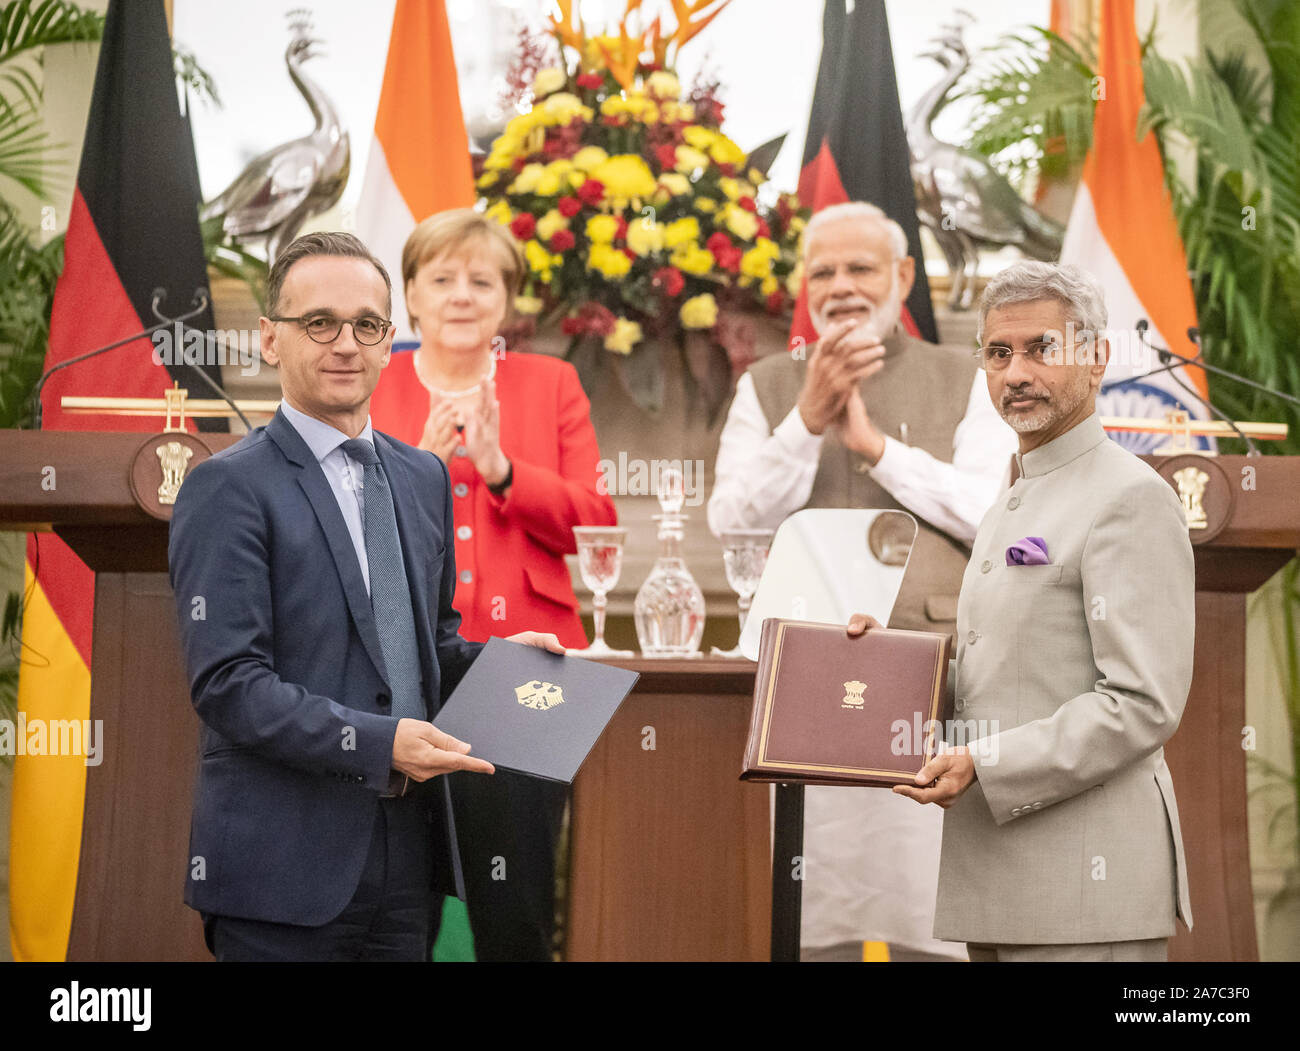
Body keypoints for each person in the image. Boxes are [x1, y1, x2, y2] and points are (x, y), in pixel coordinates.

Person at [168, 231, 564, 962]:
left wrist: (501, 664)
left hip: (406, 862)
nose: (345, 343)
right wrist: (383, 745)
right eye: (319, 322)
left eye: (367, 325)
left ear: (390, 344)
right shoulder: (227, 488)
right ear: (269, 339)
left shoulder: (422, 479)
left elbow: (428, 648)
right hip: (282, 874)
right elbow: (228, 683)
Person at [849, 260, 1195, 962]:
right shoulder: (1013, 495)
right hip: (999, 886)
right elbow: (999, 671)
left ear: (1096, 357)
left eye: (1042, 349)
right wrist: (885, 669)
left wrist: (983, 758)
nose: (1015, 373)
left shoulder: (1129, 496)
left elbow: (1141, 702)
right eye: (999, 353)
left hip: (1086, 896)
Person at [709, 200, 1016, 962]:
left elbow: (994, 514)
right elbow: (732, 521)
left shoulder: (966, 377)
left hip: (935, 685)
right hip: (801, 693)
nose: (841, 285)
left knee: (931, 925)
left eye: (861, 268)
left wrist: (880, 452)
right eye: (824, 271)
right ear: (803, 284)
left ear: (904, 276)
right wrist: (805, 420)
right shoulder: (768, 385)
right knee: (801, 921)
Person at [368, 209, 617, 961]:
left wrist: (503, 467)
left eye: (482, 280)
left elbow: (595, 528)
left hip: (530, 671)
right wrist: (415, 464)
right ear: (409, 295)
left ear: (506, 300)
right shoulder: (374, 386)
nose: (462, 295)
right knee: (395, 889)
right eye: (441, 278)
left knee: (518, 905)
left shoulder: (551, 384)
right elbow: (346, 534)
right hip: (401, 668)